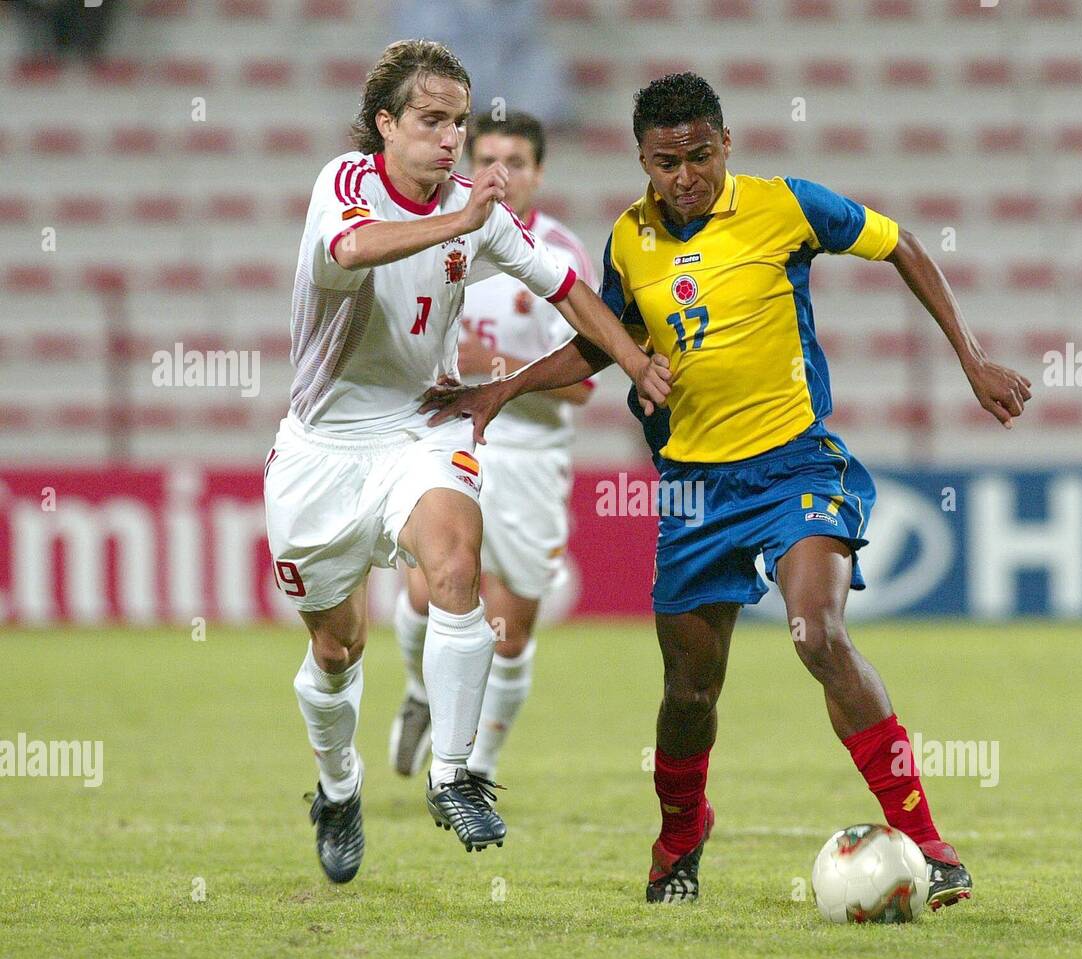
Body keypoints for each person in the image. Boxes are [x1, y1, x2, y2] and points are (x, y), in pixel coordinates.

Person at [425, 72, 1030, 907]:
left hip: (796, 467)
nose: (686, 176)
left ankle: (925, 838)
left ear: (726, 145)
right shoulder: (629, 240)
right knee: (688, 690)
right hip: (692, 492)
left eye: (701, 156)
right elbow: (609, 341)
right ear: (642, 158)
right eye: (667, 161)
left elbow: (902, 246)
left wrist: (969, 357)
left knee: (817, 635)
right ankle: (681, 835)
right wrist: (499, 390)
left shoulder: (787, 205)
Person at [263, 40, 669, 883]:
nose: (452, 139)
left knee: (456, 565)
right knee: (335, 650)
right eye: (433, 120)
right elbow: (354, 251)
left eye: (459, 120)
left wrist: (635, 365)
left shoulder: (478, 212)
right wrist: (468, 218)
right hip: (324, 448)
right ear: (385, 123)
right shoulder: (344, 184)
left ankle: (455, 773)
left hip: (423, 425)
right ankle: (339, 787)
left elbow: (568, 290)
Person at [389, 109, 598, 784]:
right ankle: (422, 695)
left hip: (532, 455)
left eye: (518, 162)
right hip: (448, 440)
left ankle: (477, 768)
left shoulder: (563, 257)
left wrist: (494, 362)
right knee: (426, 592)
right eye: (488, 161)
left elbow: (582, 390)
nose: (501, 176)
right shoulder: (440, 236)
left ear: (540, 173)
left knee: (508, 631)